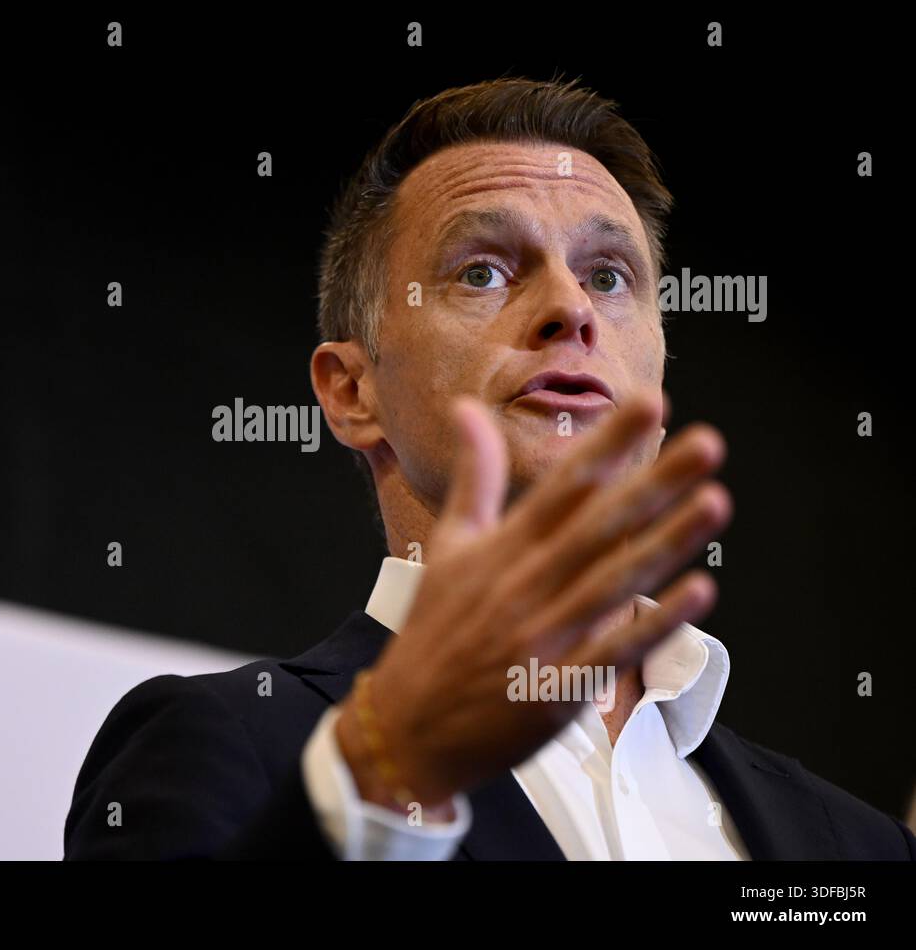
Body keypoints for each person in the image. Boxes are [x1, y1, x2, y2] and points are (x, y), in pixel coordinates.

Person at [63, 77, 915, 860]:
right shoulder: (225, 746)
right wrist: (386, 779)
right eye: (483, 271)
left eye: (610, 276)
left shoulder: (851, 844)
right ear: (353, 391)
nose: (571, 309)